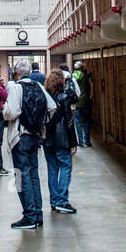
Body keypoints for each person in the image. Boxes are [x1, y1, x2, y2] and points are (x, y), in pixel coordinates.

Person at [3, 57, 57, 229]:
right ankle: (37, 214)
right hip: (35, 136)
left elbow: (10, 113)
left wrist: (7, 111)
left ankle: (29, 216)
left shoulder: (16, 88)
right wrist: (40, 122)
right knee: (33, 174)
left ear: (17, 73)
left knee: (21, 175)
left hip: (20, 137)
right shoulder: (39, 86)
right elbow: (52, 107)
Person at [43, 68, 78, 213]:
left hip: (47, 137)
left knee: (52, 168)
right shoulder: (64, 97)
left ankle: (54, 200)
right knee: (65, 166)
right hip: (62, 137)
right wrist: (73, 142)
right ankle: (62, 201)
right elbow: (69, 121)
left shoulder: (45, 96)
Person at [73, 60, 93, 147]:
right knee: (86, 121)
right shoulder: (85, 77)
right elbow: (88, 89)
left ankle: (80, 142)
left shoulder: (72, 77)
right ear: (81, 67)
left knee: (77, 122)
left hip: (77, 102)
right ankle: (87, 140)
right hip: (85, 101)